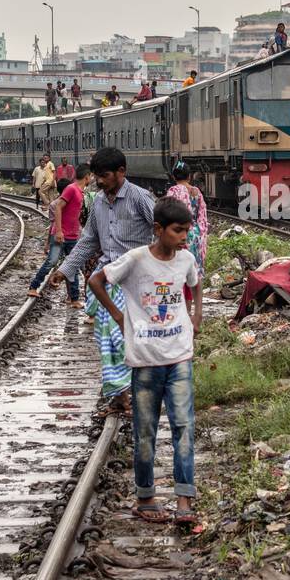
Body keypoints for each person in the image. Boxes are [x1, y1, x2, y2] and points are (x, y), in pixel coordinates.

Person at [88, 196, 201, 526]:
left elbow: (195, 285)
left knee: (184, 427)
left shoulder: (185, 260)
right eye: (178, 231)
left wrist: (196, 316)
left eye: (187, 231)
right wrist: (119, 316)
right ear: (158, 229)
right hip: (146, 361)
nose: (184, 237)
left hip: (180, 356)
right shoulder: (135, 260)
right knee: (145, 431)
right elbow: (97, 280)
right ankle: (146, 497)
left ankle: (184, 500)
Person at [52, 147, 157, 415]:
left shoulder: (139, 198)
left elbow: (161, 230)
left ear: (122, 172)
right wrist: (65, 270)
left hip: (134, 281)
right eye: (97, 176)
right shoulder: (98, 201)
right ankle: (122, 397)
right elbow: (89, 241)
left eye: (105, 175)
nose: (99, 181)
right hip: (106, 280)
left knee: (122, 338)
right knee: (108, 342)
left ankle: (134, 394)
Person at [28, 164, 90, 305]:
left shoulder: (81, 193)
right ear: (87, 177)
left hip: (73, 236)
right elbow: (58, 207)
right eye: (91, 176)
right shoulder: (71, 189)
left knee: (72, 266)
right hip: (61, 235)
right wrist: (59, 230)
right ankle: (33, 287)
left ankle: (73, 298)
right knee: (51, 261)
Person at [166, 161, 209, 281]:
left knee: (180, 269)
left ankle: (184, 297)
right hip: (196, 234)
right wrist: (200, 232)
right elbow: (202, 214)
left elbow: (168, 213)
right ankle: (195, 297)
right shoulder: (196, 191)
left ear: (174, 176)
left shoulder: (173, 191)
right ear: (189, 176)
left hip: (180, 234)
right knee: (195, 269)